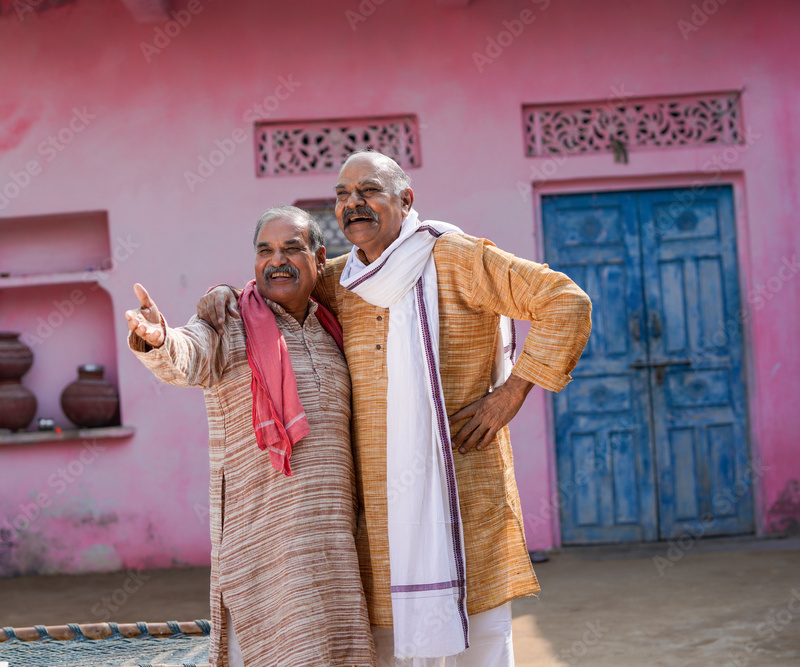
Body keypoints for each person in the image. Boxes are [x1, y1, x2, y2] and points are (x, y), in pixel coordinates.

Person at [198, 152, 592, 666]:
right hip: (379, 513)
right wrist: (219, 305)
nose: (353, 204)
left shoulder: (456, 259)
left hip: (462, 494)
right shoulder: (339, 281)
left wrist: (511, 393)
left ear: (406, 200)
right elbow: (276, 285)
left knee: (480, 644)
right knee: (391, 649)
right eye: (342, 195)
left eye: (368, 190)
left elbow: (566, 301)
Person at [126, 206, 376, 667]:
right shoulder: (230, 322)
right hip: (263, 541)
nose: (276, 261)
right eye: (265, 251)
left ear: (320, 259)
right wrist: (159, 339)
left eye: (291, 249)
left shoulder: (333, 325)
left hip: (333, 541)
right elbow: (190, 353)